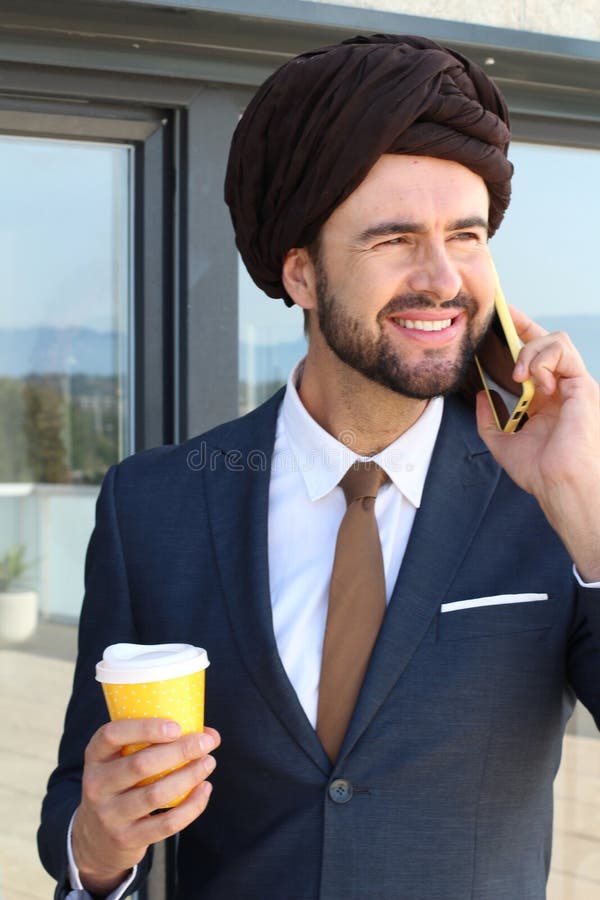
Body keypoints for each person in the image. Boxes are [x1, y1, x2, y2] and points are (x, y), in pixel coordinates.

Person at [39, 34, 600, 900]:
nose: (443, 278)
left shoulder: (551, 495)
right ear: (301, 274)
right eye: (395, 238)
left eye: (466, 235)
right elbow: (83, 793)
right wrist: (98, 844)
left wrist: (583, 500)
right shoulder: (152, 507)